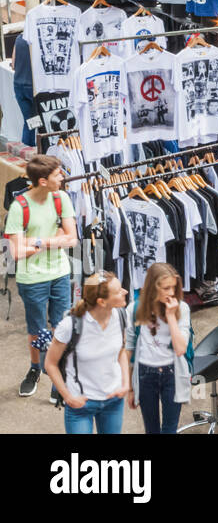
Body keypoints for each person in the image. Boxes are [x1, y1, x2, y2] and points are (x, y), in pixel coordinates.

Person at [5, 155, 77, 400]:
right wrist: (55, 241)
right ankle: (35, 369)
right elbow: (15, 252)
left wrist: (36, 241)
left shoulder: (62, 199)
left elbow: (72, 239)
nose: (63, 178)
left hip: (59, 273)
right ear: (43, 181)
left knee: (61, 327)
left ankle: (56, 374)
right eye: (58, 175)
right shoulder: (19, 207)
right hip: (31, 278)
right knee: (37, 329)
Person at [44, 271, 130, 435]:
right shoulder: (70, 326)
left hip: (113, 401)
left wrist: (125, 384)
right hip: (81, 405)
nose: (125, 291)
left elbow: (121, 352)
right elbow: (50, 363)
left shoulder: (121, 315)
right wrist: (68, 397)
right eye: (118, 291)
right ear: (102, 302)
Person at [126, 262, 191, 434]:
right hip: (145, 374)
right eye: (166, 288)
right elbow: (129, 348)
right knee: (151, 430)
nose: (171, 292)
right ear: (153, 288)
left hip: (172, 374)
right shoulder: (134, 309)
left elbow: (180, 349)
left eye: (173, 287)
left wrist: (170, 316)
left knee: (169, 429)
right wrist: (130, 388)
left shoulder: (181, 309)